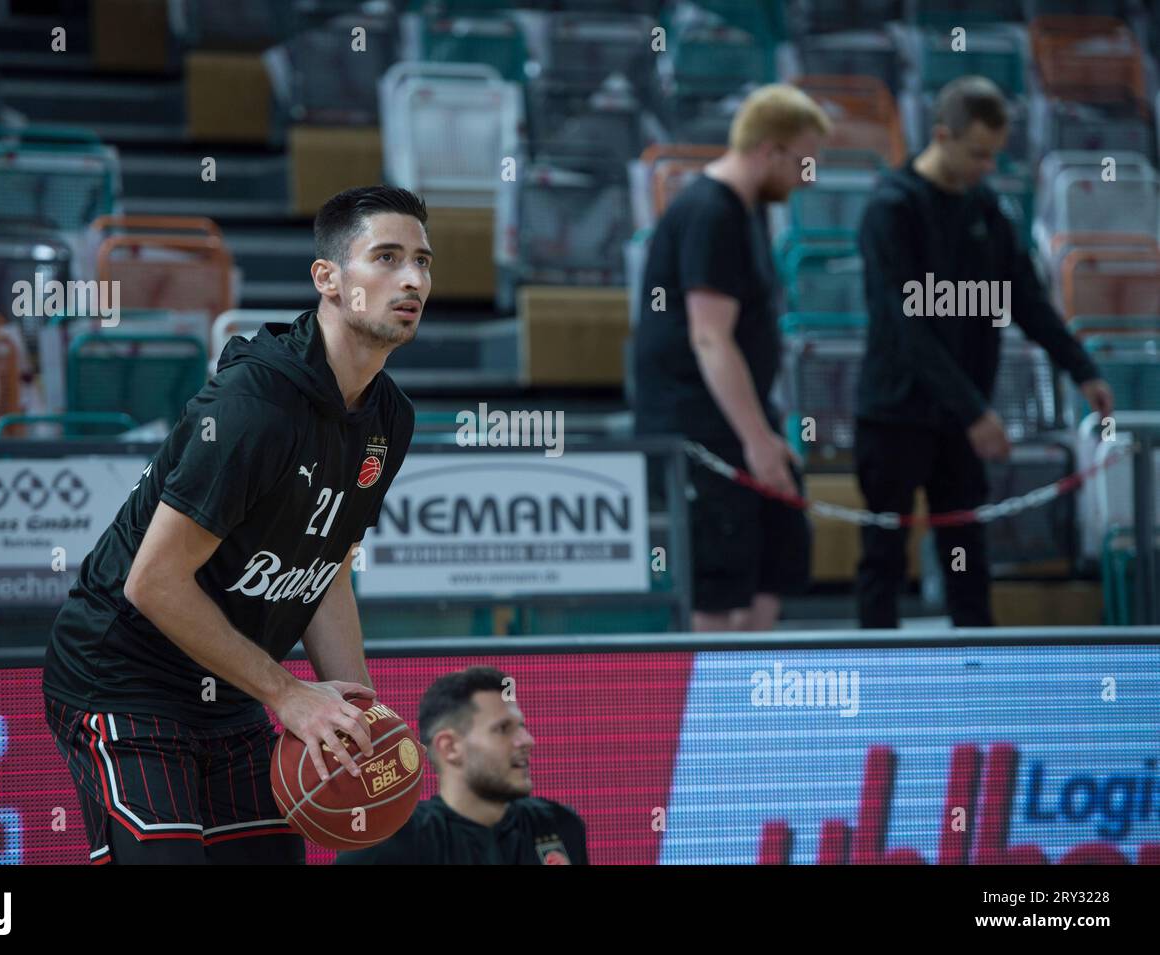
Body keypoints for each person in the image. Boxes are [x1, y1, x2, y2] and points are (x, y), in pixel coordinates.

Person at [41, 185, 428, 863]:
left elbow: (327, 572)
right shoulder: (254, 406)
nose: (412, 279)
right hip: (123, 676)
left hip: (231, 688)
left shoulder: (389, 418)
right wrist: (289, 694)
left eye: (422, 261)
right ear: (328, 278)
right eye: (388, 257)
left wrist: (358, 721)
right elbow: (154, 581)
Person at [855, 76, 1114, 628]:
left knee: (966, 552)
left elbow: (1027, 299)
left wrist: (1081, 368)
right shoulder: (891, 210)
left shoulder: (986, 210)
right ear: (942, 135)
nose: (987, 166)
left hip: (961, 420)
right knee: (882, 555)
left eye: (995, 154)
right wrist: (974, 411)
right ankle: (871, 679)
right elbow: (909, 329)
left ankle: (977, 673)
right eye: (977, 153)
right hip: (894, 414)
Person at [632, 84, 831, 632]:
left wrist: (764, 433)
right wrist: (757, 440)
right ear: (770, 149)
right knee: (719, 579)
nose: (806, 177)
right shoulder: (711, 212)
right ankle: (717, 699)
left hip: (735, 418)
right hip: (697, 426)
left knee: (782, 547)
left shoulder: (747, 212)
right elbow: (710, 338)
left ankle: (750, 685)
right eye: (804, 163)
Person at [334, 666, 587, 865]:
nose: (527, 741)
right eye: (503, 729)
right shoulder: (391, 844)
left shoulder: (559, 824)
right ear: (450, 747)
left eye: (521, 726)